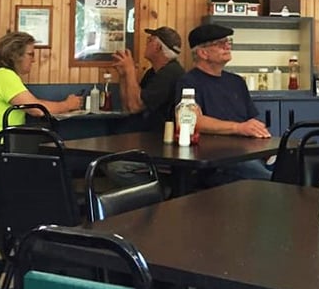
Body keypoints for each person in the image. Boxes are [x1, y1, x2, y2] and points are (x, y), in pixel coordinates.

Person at [0, 31, 83, 180]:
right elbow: (36, 109)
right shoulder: (4, 76)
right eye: (30, 55)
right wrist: (67, 105)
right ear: (15, 56)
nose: (34, 60)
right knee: (57, 165)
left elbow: (33, 103)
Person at [176, 23, 271, 185]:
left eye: (228, 42)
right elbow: (192, 119)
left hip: (249, 153)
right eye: (220, 44)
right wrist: (239, 128)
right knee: (273, 180)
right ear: (203, 53)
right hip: (215, 159)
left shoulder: (237, 82)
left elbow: (252, 120)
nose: (227, 46)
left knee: (296, 162)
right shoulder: (188, 82)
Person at [112, 26, 184, 131]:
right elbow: (128, 106)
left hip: (158, 138)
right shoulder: (152, 72)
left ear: (158, 48)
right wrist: (124, 76)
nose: (146, 44)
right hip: (145, 132)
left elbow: (135, 106)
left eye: (149, 40)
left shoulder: (170, 73)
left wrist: (130, 70)